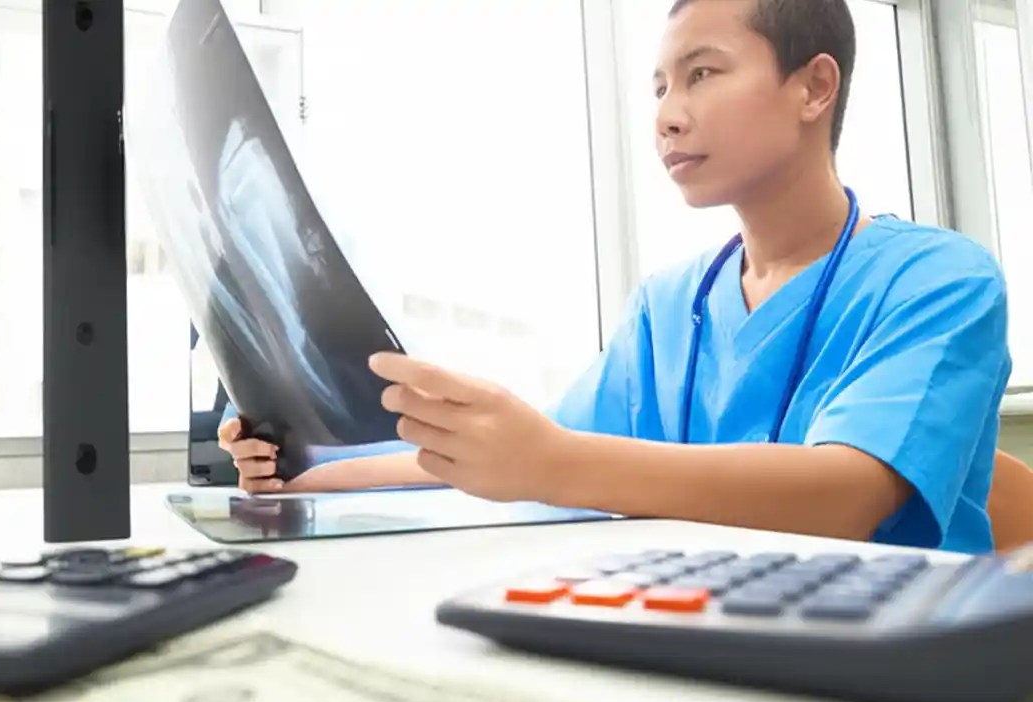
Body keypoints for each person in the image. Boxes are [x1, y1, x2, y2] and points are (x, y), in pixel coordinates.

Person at [218, 0, 1010, 553]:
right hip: (710, 636)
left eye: (703, 74)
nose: (667, 115)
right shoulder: (671, 305)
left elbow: (850, 496)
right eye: (660, 87)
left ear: (814, 87)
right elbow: (514, 459)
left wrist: (548, 462)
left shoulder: (939, 281)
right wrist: (305, 473)